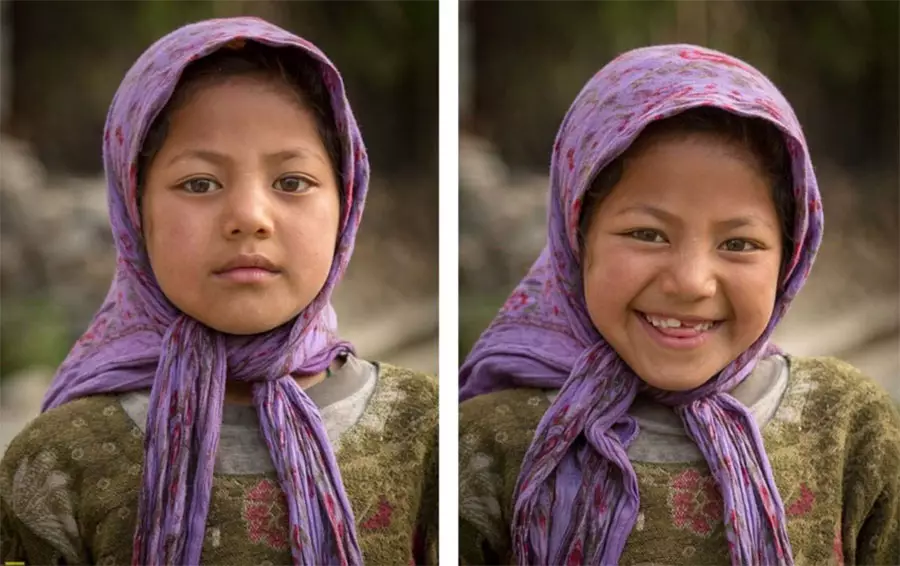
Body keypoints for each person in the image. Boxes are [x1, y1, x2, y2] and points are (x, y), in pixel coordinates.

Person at [0, 17, 437, 566]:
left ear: (346, 202)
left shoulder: (427, 431)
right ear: (134, 213)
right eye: (199, 184)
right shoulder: (57, 461)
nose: (249, 217)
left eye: (291, 182)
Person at [459, 44, 899, 565]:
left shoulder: (847, 425)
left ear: (790, 256)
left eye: (738, 244)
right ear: (575, 241)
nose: (691, 283)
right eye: (647, 234)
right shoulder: (488, 442)